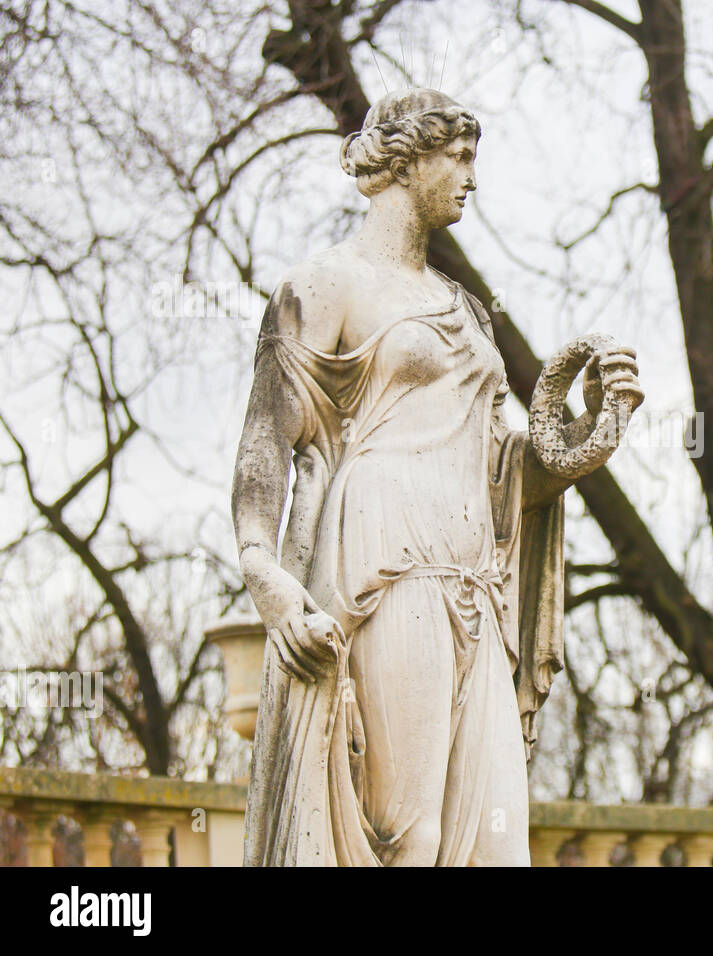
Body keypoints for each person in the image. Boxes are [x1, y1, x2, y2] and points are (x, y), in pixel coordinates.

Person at [230, 88, 642, 865]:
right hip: (386, 561)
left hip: (475, 578)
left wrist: (590, 429)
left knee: (496, 839)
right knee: (405, 833)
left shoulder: (466, 310)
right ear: (405, 158)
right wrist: (266, 578)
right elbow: (265, 446)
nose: (470, 178)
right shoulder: (324, 286)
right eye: (457, 157)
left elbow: (505, 483)